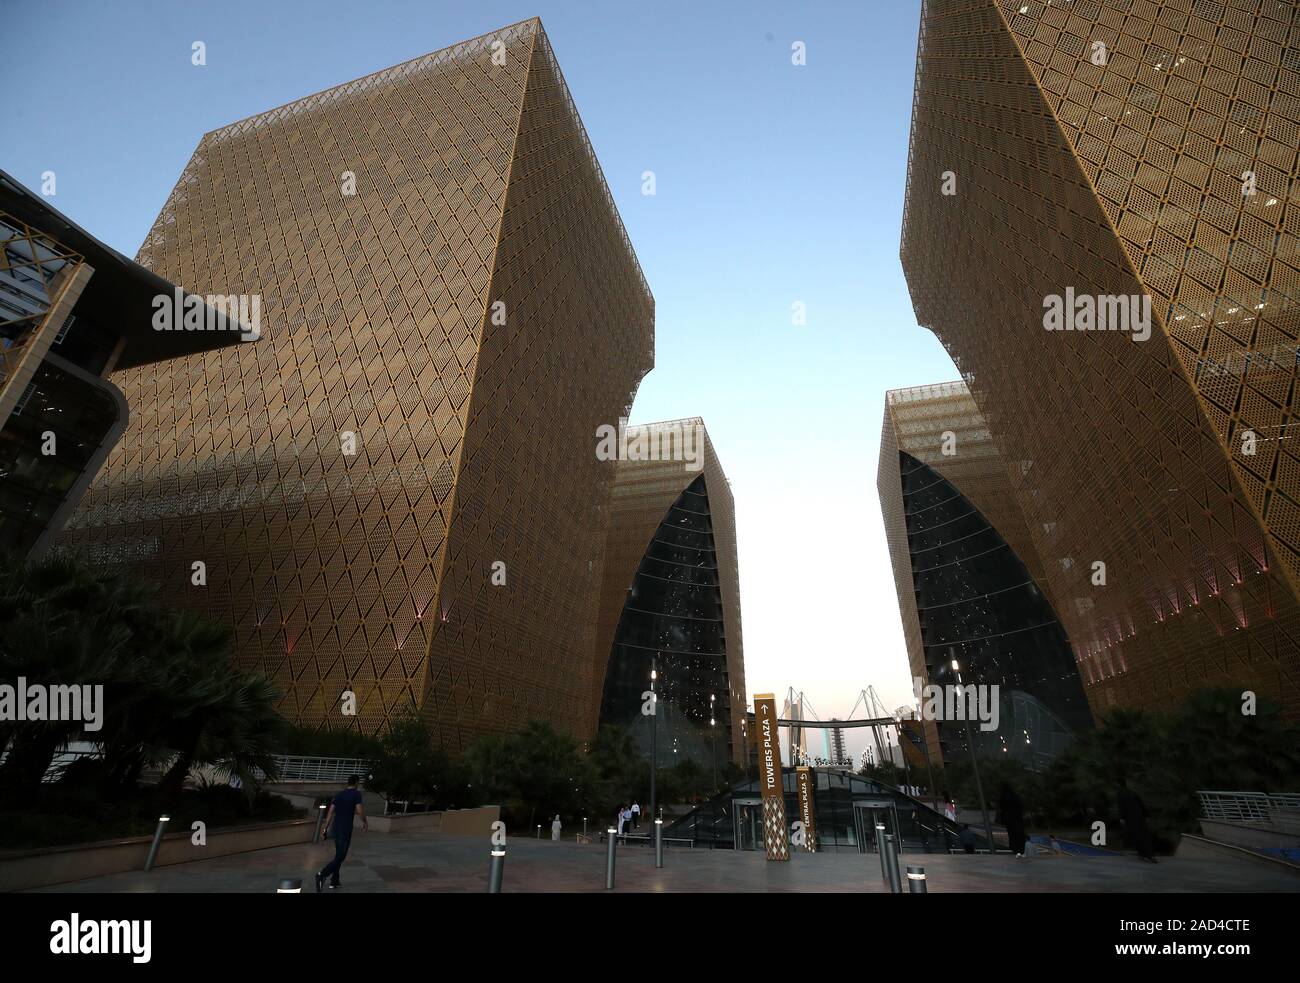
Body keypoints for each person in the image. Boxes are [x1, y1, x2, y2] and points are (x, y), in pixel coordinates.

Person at [316, 774, 368, 892]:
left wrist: (324, 829)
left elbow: (329, 813)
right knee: (341, 856)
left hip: (336, 828)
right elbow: (359, 811)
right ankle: (322, 875)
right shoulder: (356, 794)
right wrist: (365, 822)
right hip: (345, 829)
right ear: (356, 783)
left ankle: (334, 880)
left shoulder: (339, 795)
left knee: (338, 854)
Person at [1118, 784, 1157, 863]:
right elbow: (1142, 805)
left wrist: (1122, 818)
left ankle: (1146, 854)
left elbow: (1121, 807)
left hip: (1132, 818)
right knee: (1143, 835)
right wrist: (1146, 815)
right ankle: (1146, 854)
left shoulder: (1121, 795)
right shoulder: (1134, 794)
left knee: (1138, 836)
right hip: (1139, 817)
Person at [999, 782, 1028, 858]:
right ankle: (1021, 850)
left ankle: (1016, 850)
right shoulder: (1016, 797)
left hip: (1009, 819)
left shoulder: (1003, 797)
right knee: (1019, 834)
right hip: (1018, 819)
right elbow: (1021, 807)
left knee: (1012, 835)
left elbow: (1001, 808)